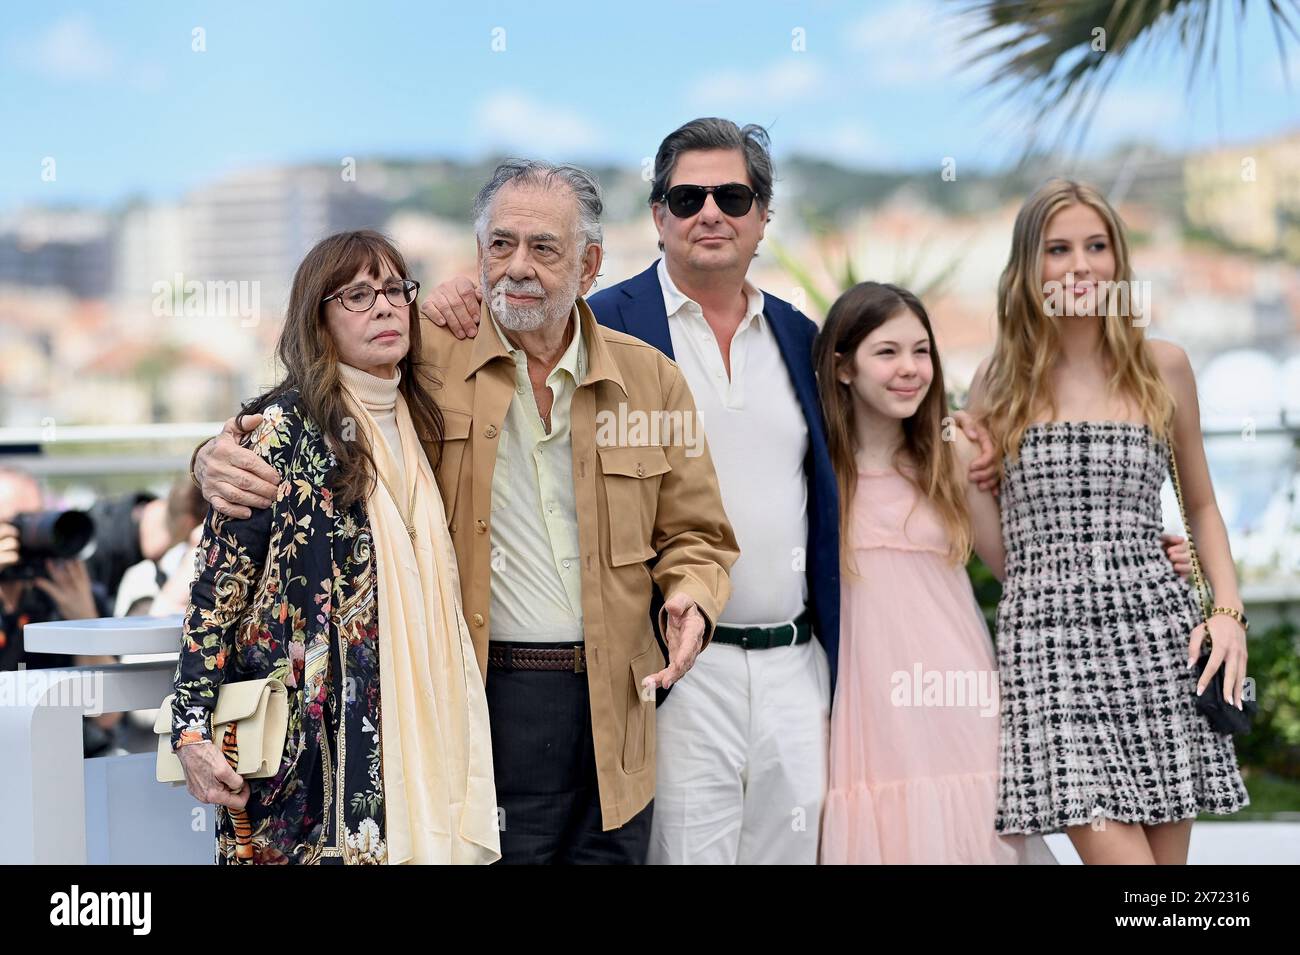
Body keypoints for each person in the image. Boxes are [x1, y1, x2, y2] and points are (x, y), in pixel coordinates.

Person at [420, 120, 986, 863]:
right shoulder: (565, 331)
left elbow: (880, 427)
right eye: (687, 197)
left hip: (784, 663)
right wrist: (216, 465)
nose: (709, 212)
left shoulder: (798, 339)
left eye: (732, 195)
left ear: (763, 215)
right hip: (654, 679)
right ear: (657, 216)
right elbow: (338, 405)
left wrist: (979, 445)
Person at [195, 161, 740, 864]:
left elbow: (696, 529)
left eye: (544, 248)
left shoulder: (650, 380)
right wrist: (210, 454)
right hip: (484, 701)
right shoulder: (423, 354)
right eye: (500, 246)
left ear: (590, 264)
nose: (517, 267)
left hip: (621, 709)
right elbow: (310, 403)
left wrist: (694, 592)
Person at [172, 230, 499, 865]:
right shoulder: (279, 430)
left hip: (421, 722)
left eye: (394, 290)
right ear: (317, 321)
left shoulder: (420, 419)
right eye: (355, 294)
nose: (383, 307)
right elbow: (217, 592)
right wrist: (189, 730)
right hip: (309, 756)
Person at [967, 178, 1250, 864]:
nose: (1079, 265)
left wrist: (1226, 612)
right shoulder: (997, 383)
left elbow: (1202, 503)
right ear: (1028, 267)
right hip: (1048, 650)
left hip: (1158, 639)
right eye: (1057, 249)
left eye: (1096, 246)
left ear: (1119, 261)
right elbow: (996, 544)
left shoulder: (1164, 368)